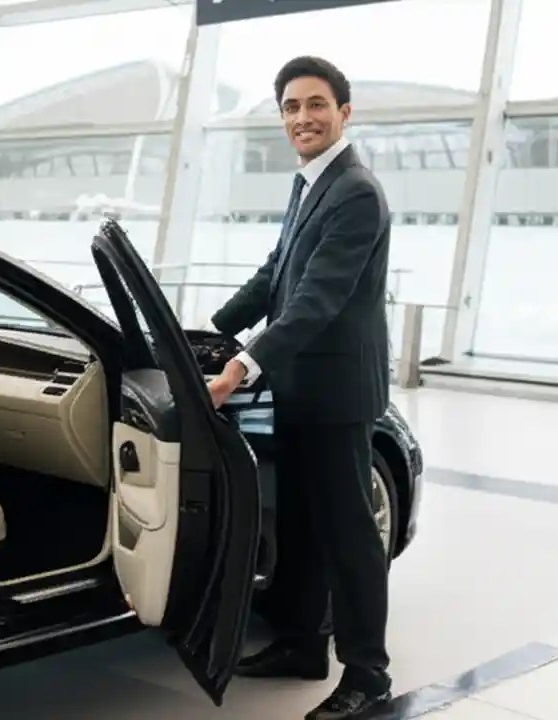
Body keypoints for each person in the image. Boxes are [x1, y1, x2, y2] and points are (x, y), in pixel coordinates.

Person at [205, 56, 393, 720]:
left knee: (348, 537)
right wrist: (212, 328)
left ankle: (368, 674)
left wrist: (240, 367)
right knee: (304, 527)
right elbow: (278, 271)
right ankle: (301, 644)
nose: (303, 118)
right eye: (291, 106)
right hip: (301, 386)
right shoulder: (313, 182)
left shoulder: (356, 191)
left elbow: (314, 301)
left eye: (316, 104)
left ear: (345, 111)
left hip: (338, 394)